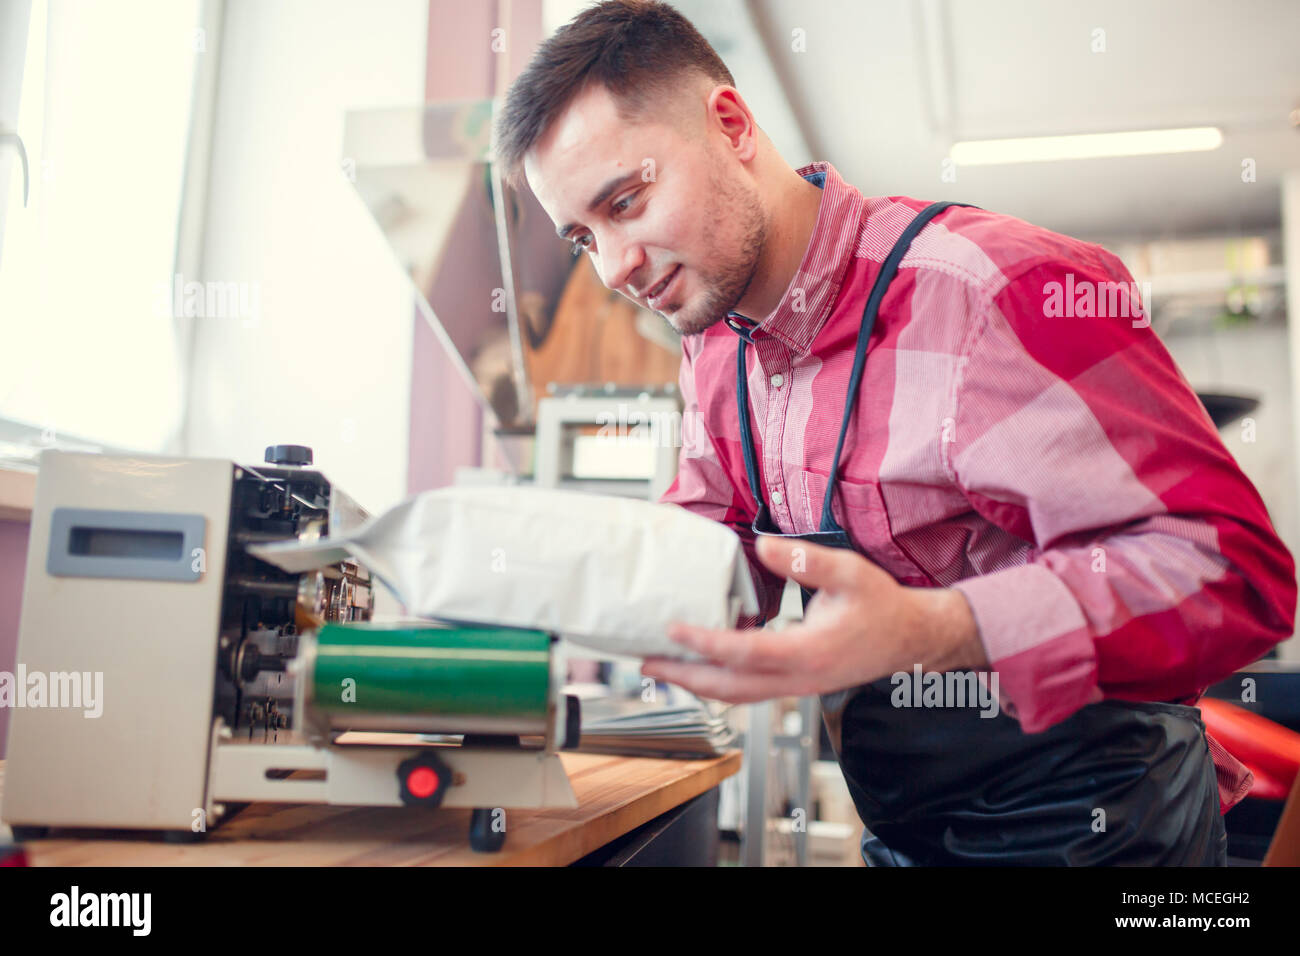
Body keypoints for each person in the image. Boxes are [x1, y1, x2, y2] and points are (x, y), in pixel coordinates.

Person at [493, 0, 1297, 865]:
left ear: (729, 126)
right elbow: (718, 548)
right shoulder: (714, 349)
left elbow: (1233, 569)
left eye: (628, 201)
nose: (616, 268)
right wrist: (556, 589)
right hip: (910, 834)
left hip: (1103, 831)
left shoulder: (992, 291)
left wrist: (939, 628)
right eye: (583, 238)